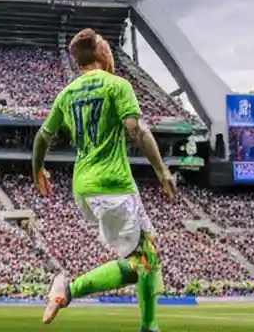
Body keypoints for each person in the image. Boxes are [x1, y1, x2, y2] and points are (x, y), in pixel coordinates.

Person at [32, 28, 177, 331]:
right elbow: (137, 130)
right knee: (142, 263)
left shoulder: (67, 94)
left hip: (83, 186)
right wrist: (162, 171)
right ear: (100, 55)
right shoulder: (116, 85)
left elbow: (43, 135)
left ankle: (149, 326)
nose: (111, 53)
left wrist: (38, 170)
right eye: (108, 49)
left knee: (150, 253)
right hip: (113, 185)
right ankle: (67, 290)